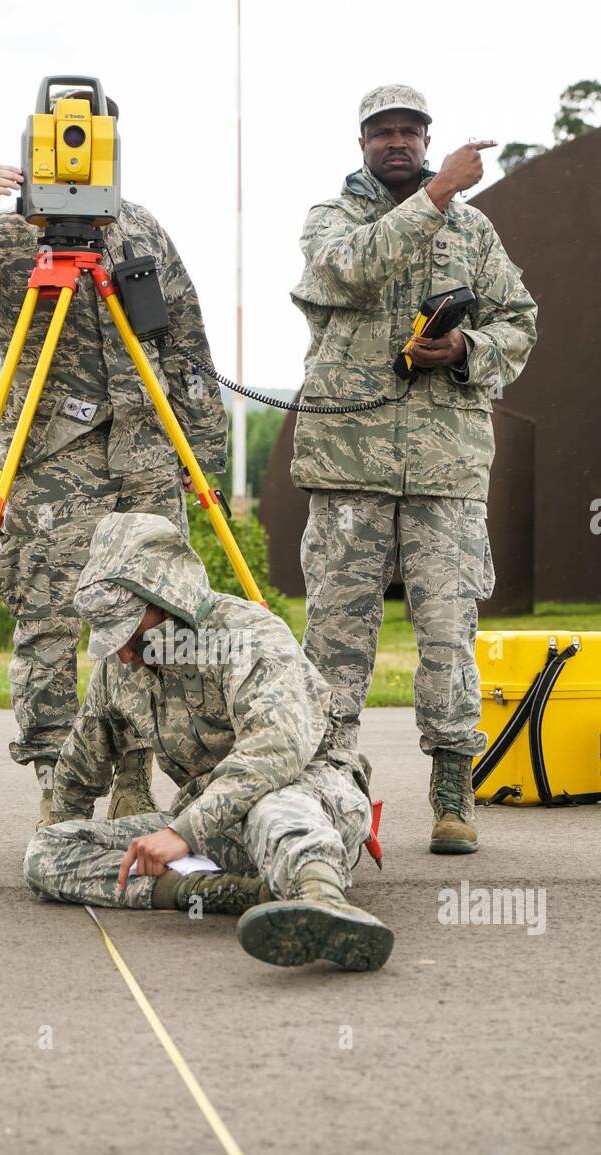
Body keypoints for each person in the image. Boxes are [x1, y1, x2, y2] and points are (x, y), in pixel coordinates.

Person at [0, 92, 226, 828]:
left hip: (146, 460)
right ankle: (57, 778)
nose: (75, 148)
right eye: (62, 136)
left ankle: (136, 776)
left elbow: (188, 349)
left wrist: (208, 461)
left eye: (90, 135)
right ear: (35, 142)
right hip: (49, 464)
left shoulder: (142, 233)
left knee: (155, 624)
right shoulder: (7, 239)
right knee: (47, 621)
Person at [291, 84, 537, 854]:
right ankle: (330, 779)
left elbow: (520, 321)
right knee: (335, 635)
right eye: (382, 133)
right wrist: (434, 196)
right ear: (362, 143)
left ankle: (453, 784)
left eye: (411, 132)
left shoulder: (475, 230)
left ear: (427, 139)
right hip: (349, 461)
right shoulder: (330, 219)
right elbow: (348, 272)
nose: (396, 143)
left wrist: (465, 349)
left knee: (448, 629)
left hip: (445, 464)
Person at [23, 512, 394, 974]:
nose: (124, 653)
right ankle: (226, 894)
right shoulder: (121, 668)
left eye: (132, 632)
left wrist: (182, 834)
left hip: (308, 796)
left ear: (169, 600)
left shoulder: (249, 637)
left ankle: (322, 901)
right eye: (112, 638)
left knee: (276, 807)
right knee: (46, 851)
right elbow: (81, 768)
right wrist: (69, 835)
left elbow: (273, 752)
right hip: (207, 830)